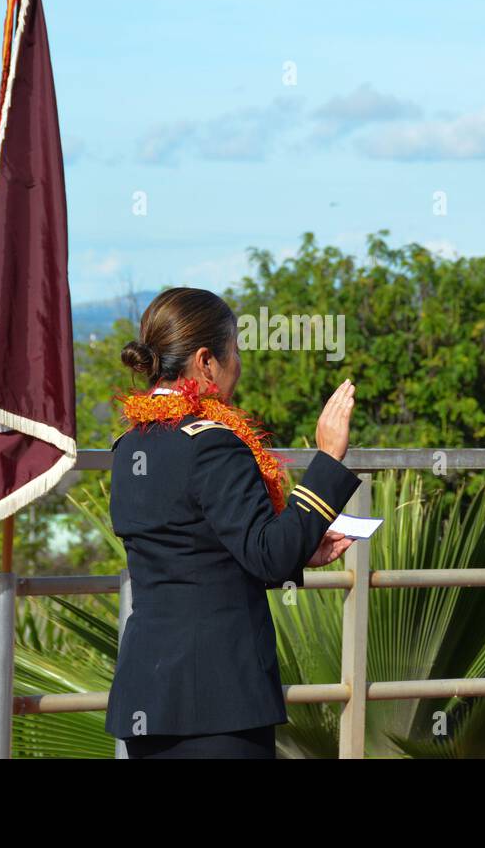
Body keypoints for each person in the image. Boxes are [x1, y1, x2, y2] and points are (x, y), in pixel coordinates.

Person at [105, 287, 361, 758]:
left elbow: (203, 549)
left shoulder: (129, 447)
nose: (238, 364)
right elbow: (267, 555)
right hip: (218, 699)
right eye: (234, 351)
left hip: (149, 692)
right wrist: (327, 457)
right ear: (206, 361)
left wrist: (302, 542)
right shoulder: (213, 443)